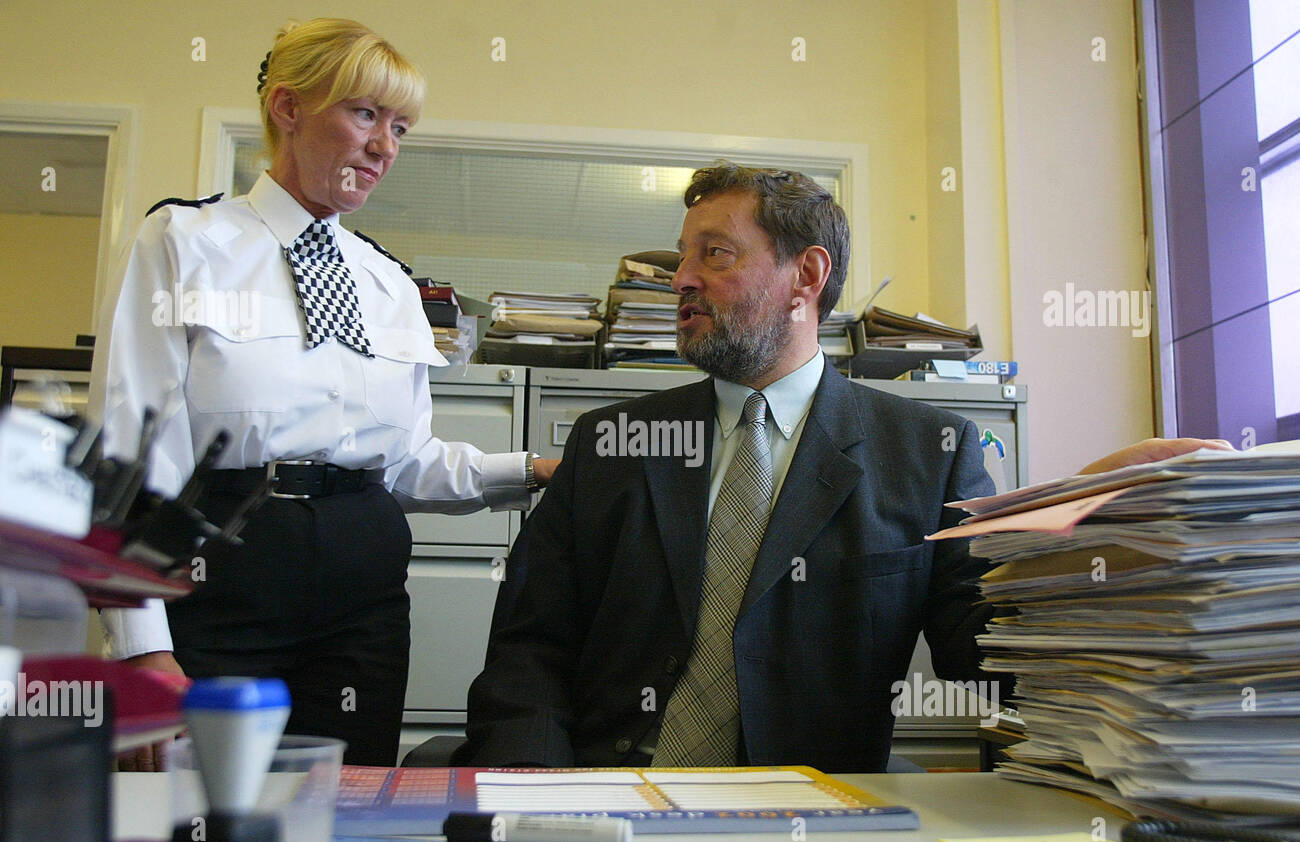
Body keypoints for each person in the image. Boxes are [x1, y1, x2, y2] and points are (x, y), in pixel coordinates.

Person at [454, 162, 1230, 772]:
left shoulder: (930, 453)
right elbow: (529, 652)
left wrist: (1087, 512)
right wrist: (534, 801)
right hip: (607, 800)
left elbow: (988, 649)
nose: (680, 278)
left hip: (812, 817)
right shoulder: (609, 444)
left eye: (713, 254)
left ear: (806, 275)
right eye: (681, 256)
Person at [89, 18, 556, 767]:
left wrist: (532, 470)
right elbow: (132, 455)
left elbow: (404, 464)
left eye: (400, 126)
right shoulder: (182, 243)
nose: (386, 147)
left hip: (360, 592)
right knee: (201, 800)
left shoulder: (389, 284)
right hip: (219, 570)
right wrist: (142, 646)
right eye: (366, 114)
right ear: (287, 108)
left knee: (345, 798)